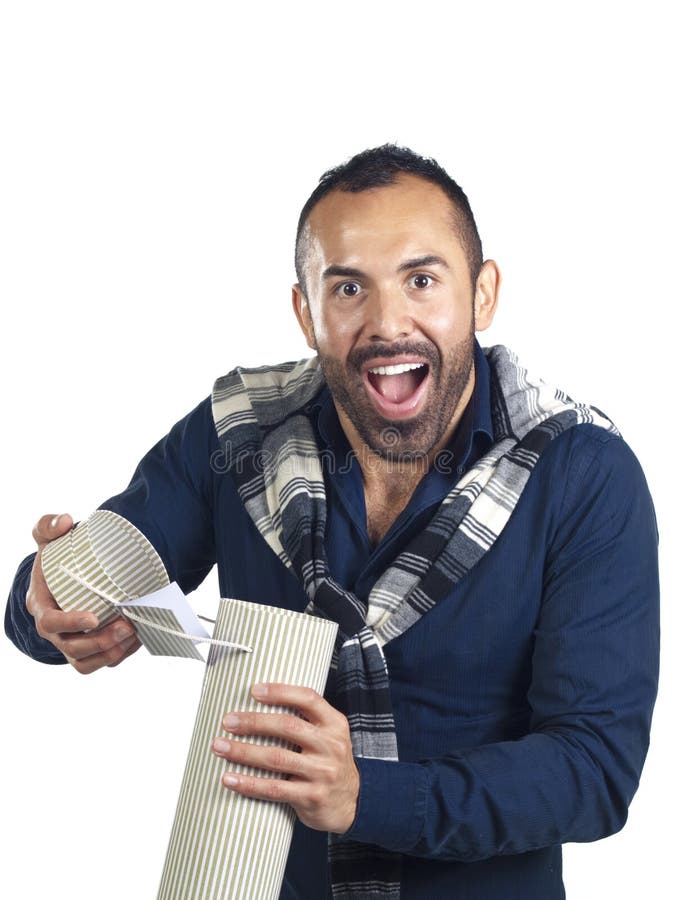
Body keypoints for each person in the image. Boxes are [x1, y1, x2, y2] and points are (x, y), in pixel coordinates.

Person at [5, 144, 660, 900]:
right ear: (305, 311)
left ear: (482, 294)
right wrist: (52, 598)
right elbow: (67, 601)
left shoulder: (581, 474)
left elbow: (593, 770)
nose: (388, 324)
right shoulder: (235, 435)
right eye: (348, 287)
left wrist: (366, 798)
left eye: (421, 280)